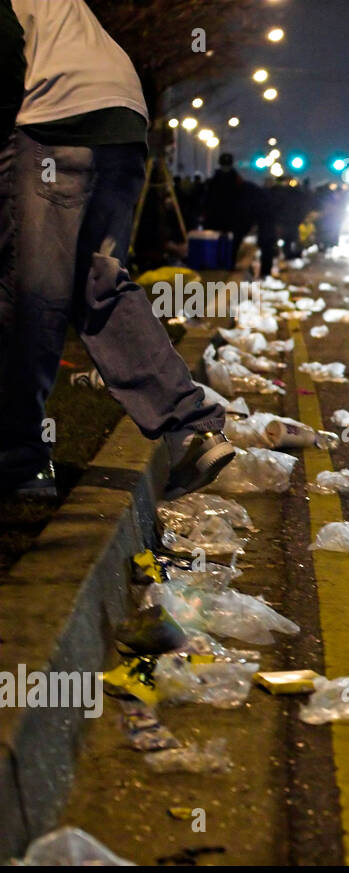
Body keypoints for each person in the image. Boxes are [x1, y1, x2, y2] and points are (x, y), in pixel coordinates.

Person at [0, 0, 233, 499]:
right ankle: (189, 427)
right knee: (99, 283)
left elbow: (5, 60)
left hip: (53, 120)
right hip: (122, 120)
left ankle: (20, 462)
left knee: (31, 295)